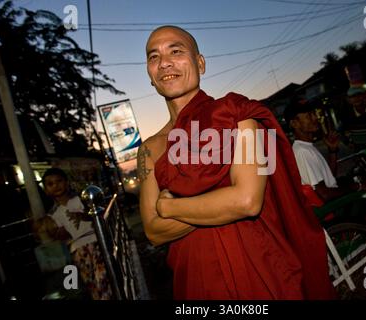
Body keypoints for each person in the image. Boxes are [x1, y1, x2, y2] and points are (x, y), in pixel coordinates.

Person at [137, 25, 335, 299]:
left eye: (176, 50)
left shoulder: (237, 116)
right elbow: (154, 231)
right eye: (153, 57)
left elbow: (247, 201)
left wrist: (169, 206)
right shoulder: (151, 148)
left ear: (200, 63)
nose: (165, 62)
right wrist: (220, 200)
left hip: (258, 271)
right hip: (196, 281)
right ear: (149, 75)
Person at [284, 97, 366, 205]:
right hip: (335, 206)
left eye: (314, 114)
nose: (315, 118)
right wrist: (358, 186)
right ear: (294, 124)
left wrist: (332, 151)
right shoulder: (302, 151)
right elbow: (324, 194)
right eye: (309, 116)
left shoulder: (306, 147)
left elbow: (330, 179)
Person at [40, 168, 112, 300]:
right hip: (78, 251)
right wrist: (55, 232)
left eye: (59, 181)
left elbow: (98, 215)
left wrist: (83, 216)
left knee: (103, 278)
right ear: (46, 190)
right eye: (50, 184)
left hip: (95, 242)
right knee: (91, 283)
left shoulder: (80, 200)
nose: (56, 186)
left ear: (66, 182)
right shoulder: (52, 215)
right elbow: (61, 237)